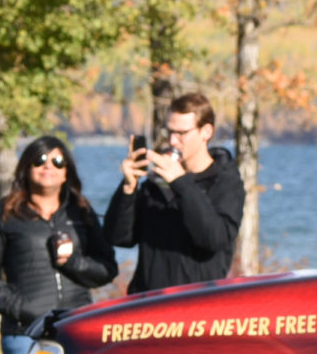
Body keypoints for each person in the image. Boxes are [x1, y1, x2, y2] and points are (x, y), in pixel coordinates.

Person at [0, 136, 116, 354]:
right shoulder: (6, 213)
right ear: (26, 168)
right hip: (24, 334)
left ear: (66, 172)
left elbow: (107, 268)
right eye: (40, 160)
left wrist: (73, 263)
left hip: (76, 330)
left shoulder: (81, 213)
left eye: (57, 162)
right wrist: (18, 307)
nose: (48, 166)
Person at [103, 91, 245, 293]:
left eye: (181, 133)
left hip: (196, 302)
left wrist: (181, 183)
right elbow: (118, 237)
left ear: (206, 132)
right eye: (169, 132)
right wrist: (128, 189)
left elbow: (214, 239)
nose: (172, 141)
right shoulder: (157, 180)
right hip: (148, 300)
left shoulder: (226, 182)